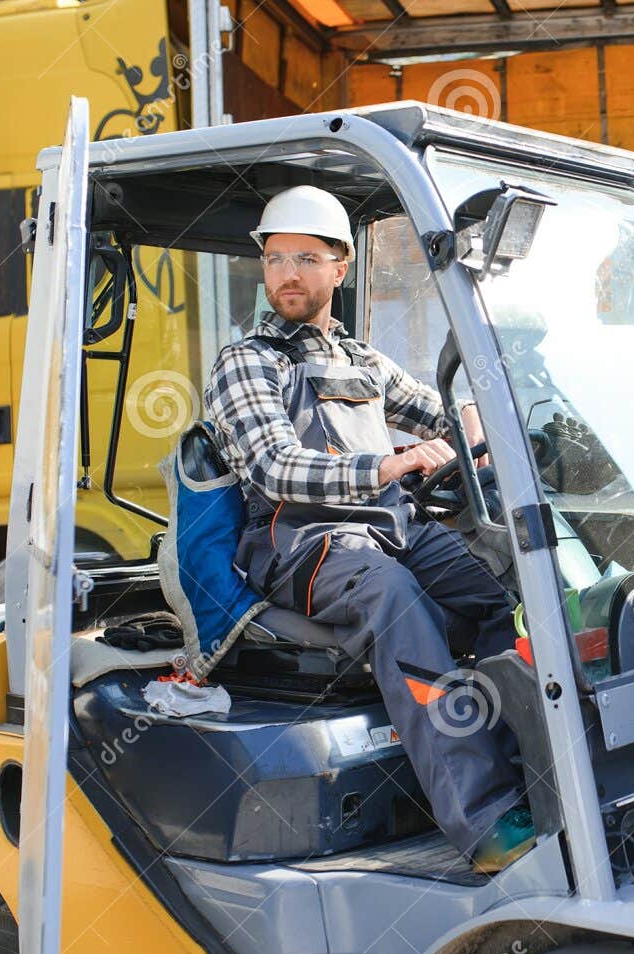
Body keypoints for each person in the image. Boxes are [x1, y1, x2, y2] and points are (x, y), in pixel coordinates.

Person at [204, 186, 534, 874]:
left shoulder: (364, 362)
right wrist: (388, 462)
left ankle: (528, 763)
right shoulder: (248, 361)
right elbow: (274, 466)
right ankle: (485, 818)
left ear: (340, 267)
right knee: (397, 601)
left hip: (390, 526)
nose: (287, 274)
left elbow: (439, 413)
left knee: (496, 590)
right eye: (275, 259)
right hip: (304, 542)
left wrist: (488, 427)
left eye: (305, 258)